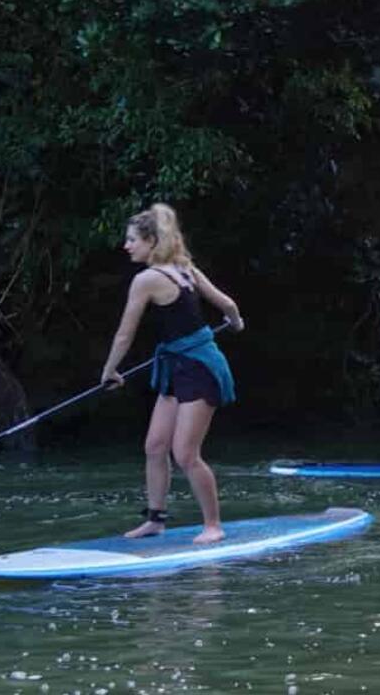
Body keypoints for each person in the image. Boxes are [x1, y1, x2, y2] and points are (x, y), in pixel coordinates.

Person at [99, 204, 244, 545]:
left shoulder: (148, 279)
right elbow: (230, 307)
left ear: (151, 241)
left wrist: (109, 371)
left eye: (132, 239)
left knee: (185, 453)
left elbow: (124, 333)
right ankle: (155, 520)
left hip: (200, 367)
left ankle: (213, 525)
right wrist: (236, 324)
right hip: (177, 367)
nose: (126, 246)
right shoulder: (184, 268)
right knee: (155, 445)